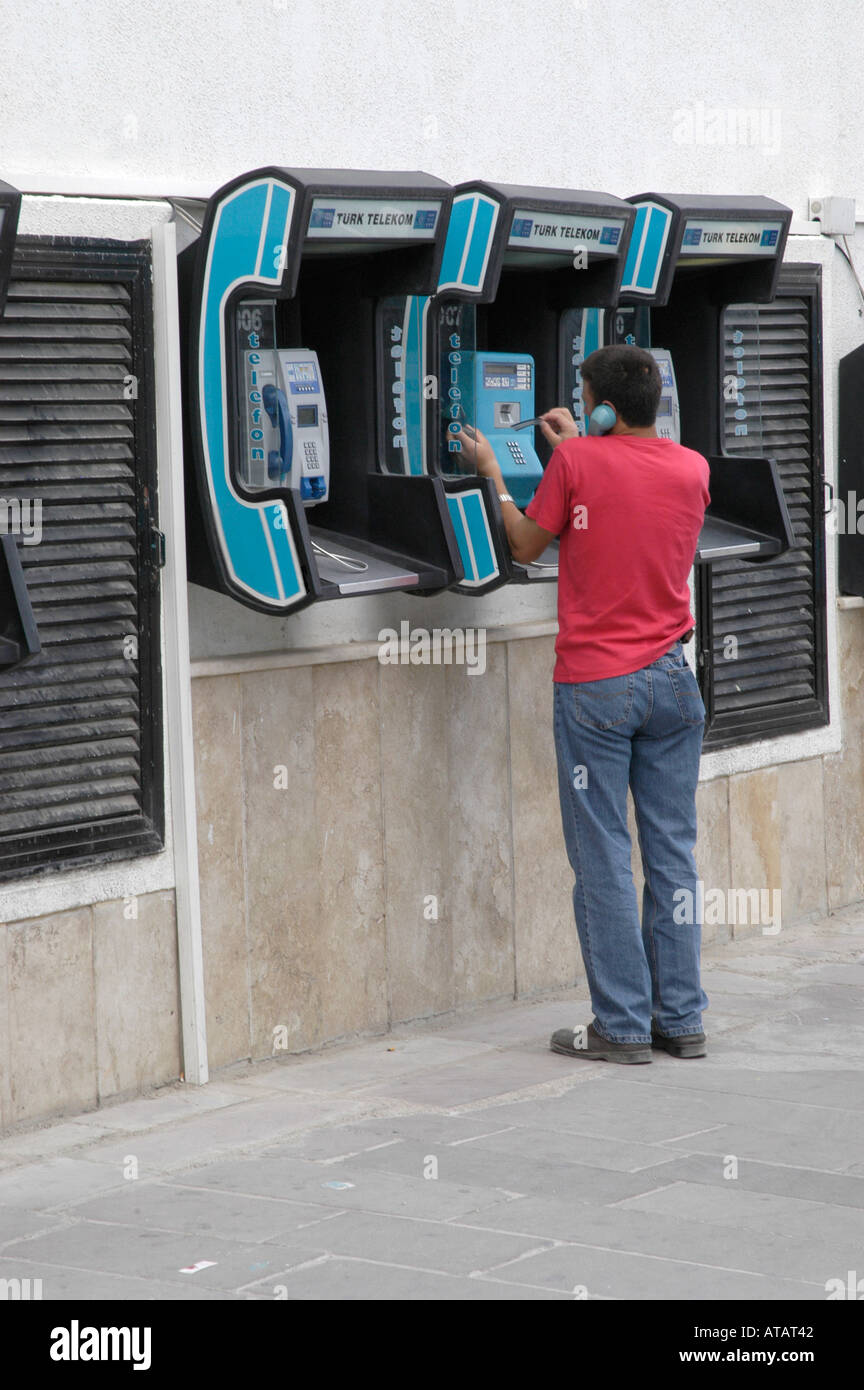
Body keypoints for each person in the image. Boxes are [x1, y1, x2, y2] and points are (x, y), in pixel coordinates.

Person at [453, 344, 711, 1064]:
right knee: (672, 854)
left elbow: (530, 546)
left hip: (597, 686)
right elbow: (628, 502)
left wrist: (495, 476)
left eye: (583, 392)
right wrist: (582, 450)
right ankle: (682, 1021)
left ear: (598, 403)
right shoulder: (693, 467)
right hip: (672, 681)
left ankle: (621, 1028)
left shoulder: (577, 463)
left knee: (602, 855)